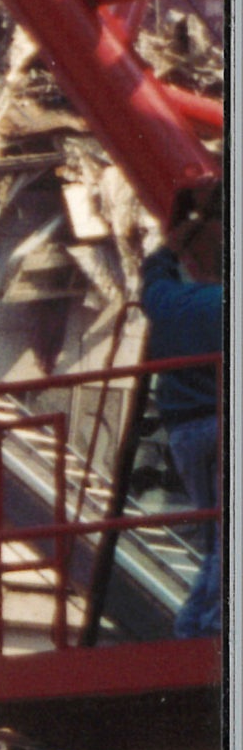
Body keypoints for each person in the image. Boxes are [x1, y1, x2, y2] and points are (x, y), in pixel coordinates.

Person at [138, 202, 225, 638]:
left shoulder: (169, 302)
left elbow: (153, 276)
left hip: (186, 435)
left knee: (217, 537)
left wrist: (169, 249)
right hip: (222, 426)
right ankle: (214, 626)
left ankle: (193, 626)